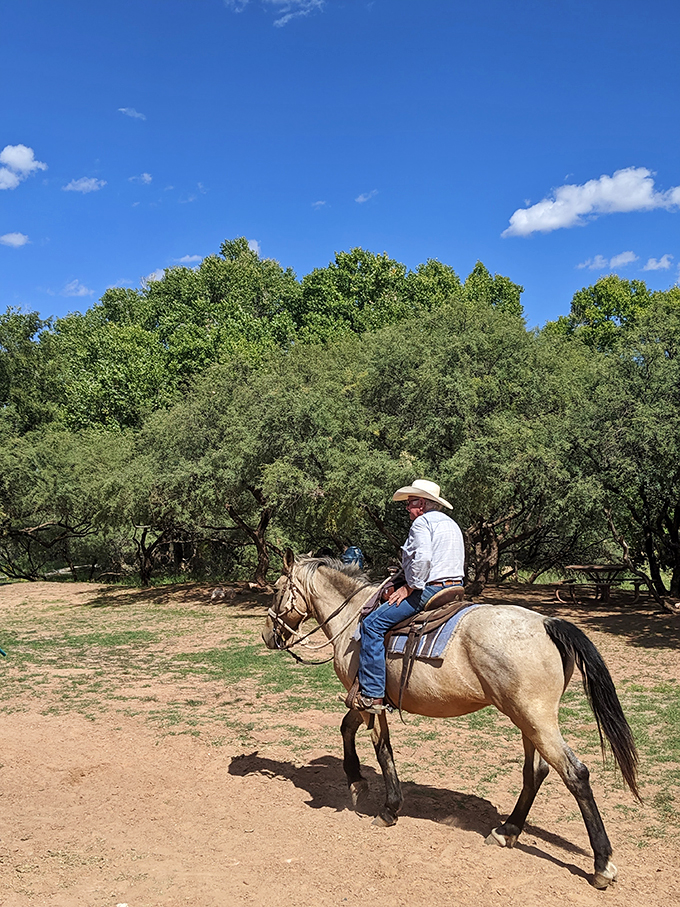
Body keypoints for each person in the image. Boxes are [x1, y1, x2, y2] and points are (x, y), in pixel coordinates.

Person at [355, 479, 465, 714]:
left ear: (422, 503)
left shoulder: (422, 523)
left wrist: (410, 586)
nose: (407, 508)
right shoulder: (450, 523)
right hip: (455, 586)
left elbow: (423, 559)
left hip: (431, 589)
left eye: (410, 502)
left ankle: (372, 695)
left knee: (372, 624)